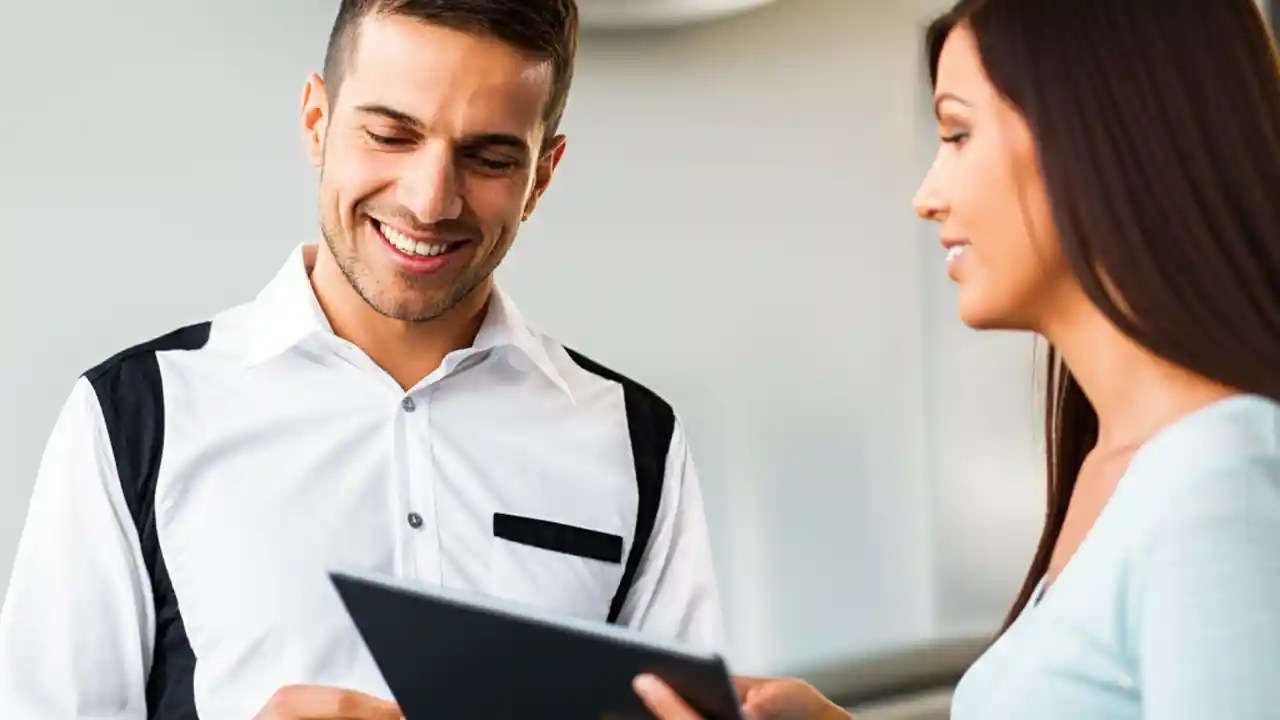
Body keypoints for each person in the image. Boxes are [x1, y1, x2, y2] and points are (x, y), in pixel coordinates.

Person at [0, 1, 724, 718]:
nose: (430, 200)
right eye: (389, 135)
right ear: (317, 120)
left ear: (542, 175)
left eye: (490, 158)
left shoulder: (636, 441)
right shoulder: (135, 417)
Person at [633, 0, 1280, 718]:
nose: (927, 197)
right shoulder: (1123, 466)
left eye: (958, 134)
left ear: (1096, 134)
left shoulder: (1222, 481)